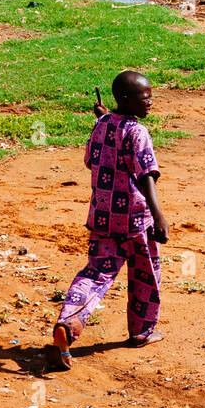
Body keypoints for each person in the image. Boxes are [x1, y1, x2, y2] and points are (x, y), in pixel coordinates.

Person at [50, 70, 169, 369]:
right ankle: (142, 332)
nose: (150, 102)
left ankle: (69, 321)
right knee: (145, 274)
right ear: (126, 99)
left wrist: (105, 117)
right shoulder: (138, 132)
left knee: (96, 273)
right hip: (135, 220)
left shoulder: (102, 124)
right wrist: (159, 216)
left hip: (102, 215)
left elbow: (91, 159)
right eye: (145, 98)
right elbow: (146, 177)